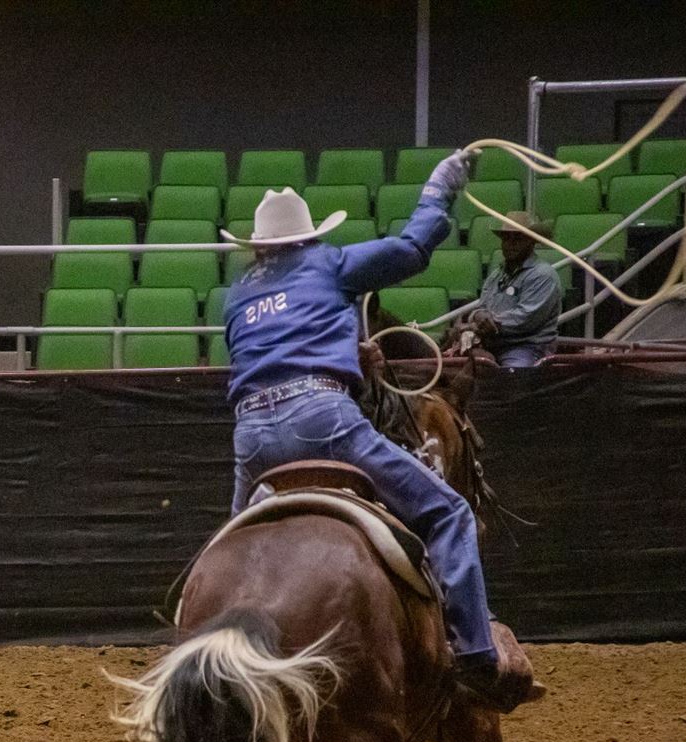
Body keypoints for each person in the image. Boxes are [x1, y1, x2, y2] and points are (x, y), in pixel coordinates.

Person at [220, 153, 534, 712]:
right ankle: (476, 654)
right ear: (306, 239)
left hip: (252, 437)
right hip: (322, 420)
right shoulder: (329, 263)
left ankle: (210, 641)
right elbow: (413, 248)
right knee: (448, 512)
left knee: (229, 546)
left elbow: (274, 349)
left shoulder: (238, 295)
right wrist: (441, 188)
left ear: (259, 247)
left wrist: (344, 351)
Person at [467, 211, 563, 368]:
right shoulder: (497, 274)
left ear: (531, 241)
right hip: (493, 344)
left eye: (518, 239)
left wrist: (486, 324)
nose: (510, 244)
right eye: (506, 239)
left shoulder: (544, 275)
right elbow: (481, 306)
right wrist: (478, 315)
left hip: (527, 347)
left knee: (513, 376)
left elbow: (525, 319)